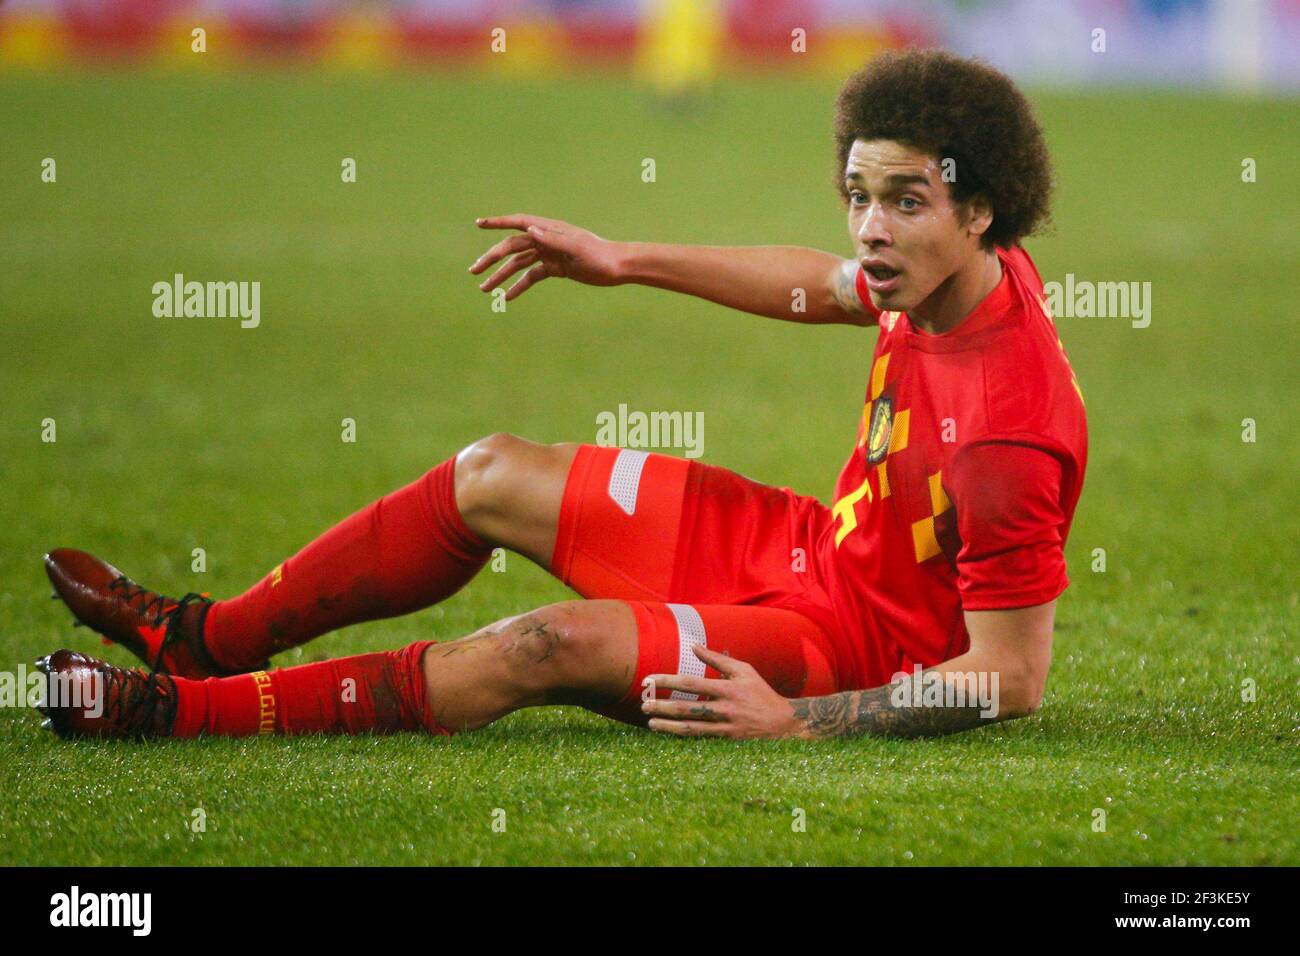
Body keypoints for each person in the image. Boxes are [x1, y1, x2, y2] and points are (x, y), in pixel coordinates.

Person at [36, 48, 1085, 742]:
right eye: (859, 196)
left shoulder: (1006, 431)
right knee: (491, 472)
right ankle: (203, 634)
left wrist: (802, 720)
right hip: (801, 549)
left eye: (905, 203)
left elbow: (1007, 673)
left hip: (846, 649)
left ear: (981, 212)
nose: (870, 229)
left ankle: (174, 710)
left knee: (547, 642)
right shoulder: (936, 269)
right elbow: (819, 281)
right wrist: (621, 257)